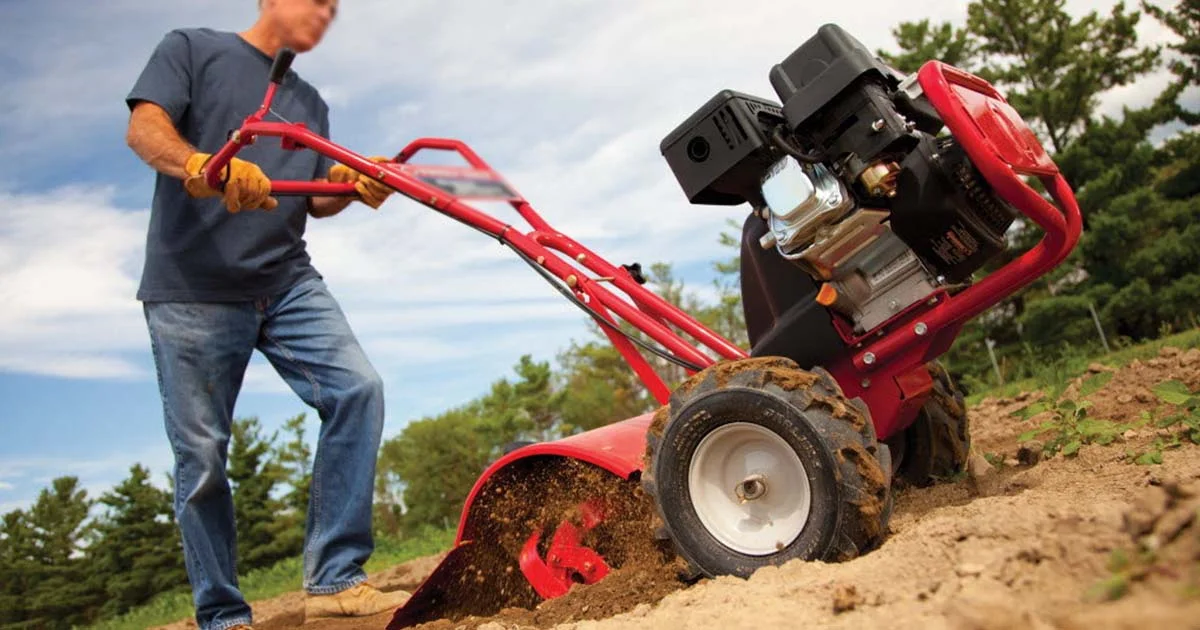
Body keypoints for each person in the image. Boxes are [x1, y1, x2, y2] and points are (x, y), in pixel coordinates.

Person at [123, 1, 408, 628]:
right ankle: (224, 614)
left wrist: (353, 184)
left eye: (333, 8)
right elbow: (144, 130)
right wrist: (199, 164)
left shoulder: (310, 101)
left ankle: (334, 578)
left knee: (358, 389)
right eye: (317, 1)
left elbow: (315, 199)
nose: (326, 14)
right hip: (192, 287)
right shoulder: (192, 48)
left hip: (285, 281)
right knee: (202, 457)